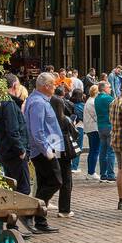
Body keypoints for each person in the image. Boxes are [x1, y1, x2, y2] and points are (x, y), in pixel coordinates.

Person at [22, 73, 63, 232]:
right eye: (53, 84)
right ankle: (31, 213)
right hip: (42, 151)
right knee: (55, 181)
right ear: (46, 86)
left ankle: (40, 219)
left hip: (46, 148)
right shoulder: (38, 102)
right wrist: (47, 150)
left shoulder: (38, 100)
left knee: (44, 184)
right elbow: (37, 131)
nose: (55, 87)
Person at [0, 76, 31, 197]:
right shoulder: (9, 104)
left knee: (12, 186)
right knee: (23, 189)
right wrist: (21, 150)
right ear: (14, 86)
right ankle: (23, 215)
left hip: (5, 151)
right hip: (13, 153)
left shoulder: (0, 102)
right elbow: (12, 130)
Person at [48, 85, 79, 219]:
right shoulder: (65, 119)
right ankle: (64, 209)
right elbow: (75, 133)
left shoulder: (48, 119)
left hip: (51, 147)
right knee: (66, 179)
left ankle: (44, 203)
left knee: (51, 177)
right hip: (64, 149)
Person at [83, 84, 101, 179]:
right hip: (93, 129)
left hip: (91, 128)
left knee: (93, 150)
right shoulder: (92, 102)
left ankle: (91, 171)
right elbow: (96, 116)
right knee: (95, 150)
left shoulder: (89, 101)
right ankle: (91, 172)